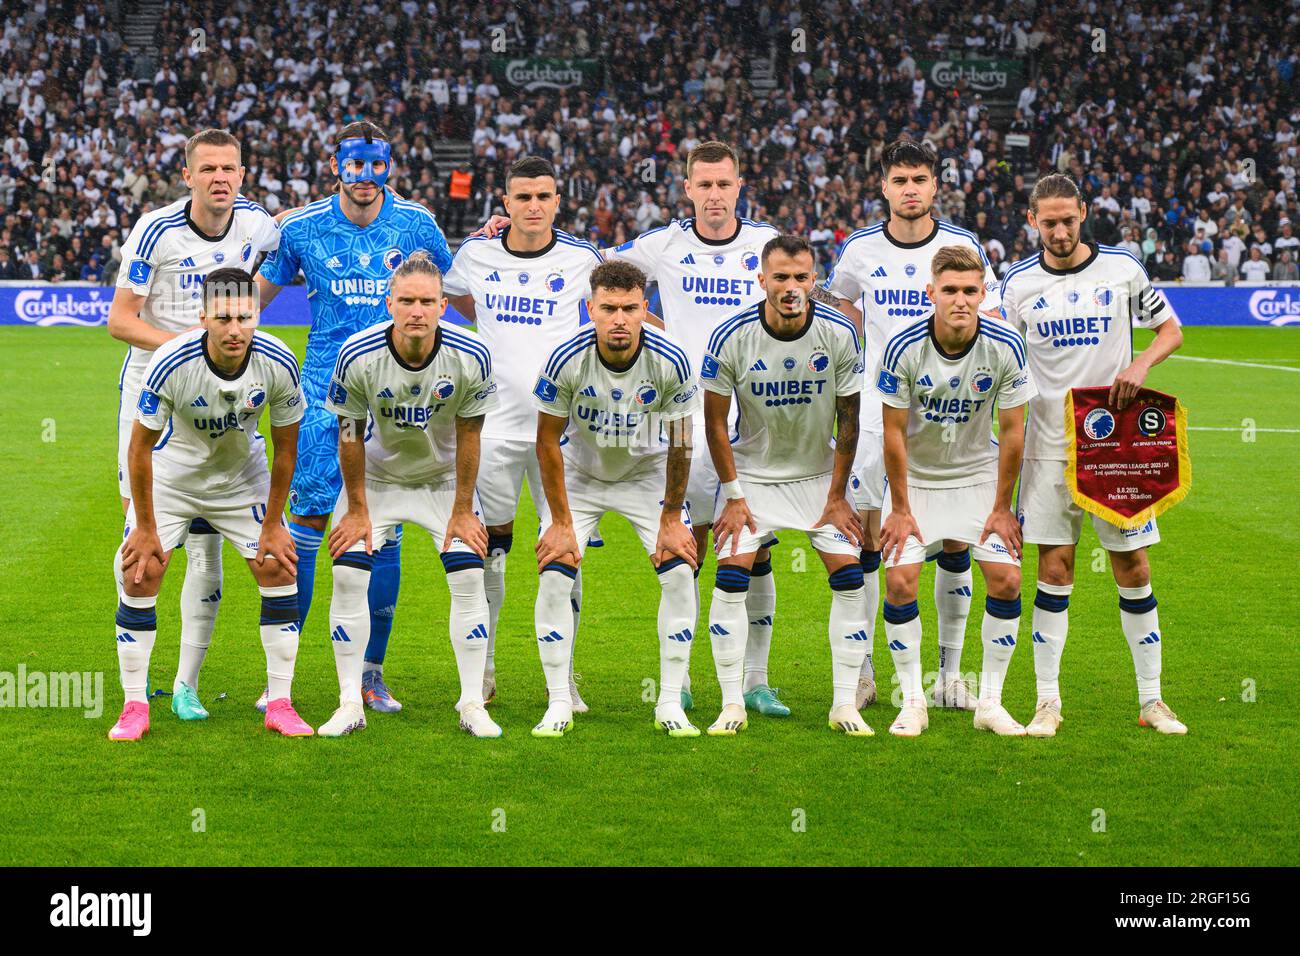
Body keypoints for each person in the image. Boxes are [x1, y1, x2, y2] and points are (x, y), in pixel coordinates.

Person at [475, 142, 785, 718]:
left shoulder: (766, 245)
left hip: (754, 420)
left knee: (751, 550)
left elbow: (801, 294)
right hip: (680, 419)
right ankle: (683, 683)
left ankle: (757, 681)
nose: (714, 194)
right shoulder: (660, 245)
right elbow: (604, 278)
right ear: (687, 189)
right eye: (703, 185)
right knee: (687, 549)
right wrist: (511, 227)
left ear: (739, 185)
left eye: (724, 184)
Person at [257, 120, 453, 714]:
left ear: (388, 164)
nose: (364, 178)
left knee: (383, 532)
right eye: (354, 164)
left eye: (375, 165)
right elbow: (251, 300)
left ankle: (371, 674)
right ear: (335, 163)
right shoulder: (302, 228)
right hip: (321, 394)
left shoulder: (417, 224)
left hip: (397, 399)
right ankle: (281, 682)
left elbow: (457, 292)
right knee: (309, 527)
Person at [1000, 173, 1187, 737]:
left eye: (1069, 219)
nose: (1060, 231)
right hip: (1048, 450)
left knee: (1133, 567)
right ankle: (1047, 702)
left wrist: (1140, 364)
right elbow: (1003, 361)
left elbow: (1171, 330)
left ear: (1084, 212)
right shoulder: (1016, 285)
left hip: (1116, 451)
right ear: (1032, 221)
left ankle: (1153, 701)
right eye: (1048, 221)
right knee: (1054, 569)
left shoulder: (1123, 269)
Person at [107, 128, 281, 719]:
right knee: (141, 546)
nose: (220, 178)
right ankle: (135, 688)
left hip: (223, 395)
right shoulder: (156, 230)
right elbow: (120, 321)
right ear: (188, 176)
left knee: (207, 552)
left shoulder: (258, 225)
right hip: (154, 393)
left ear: (241, 172)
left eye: (229, 168)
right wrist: (189, 347)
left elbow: (305, 228)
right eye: (208, 169)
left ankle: (185, 686)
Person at [823, 139, 1001, 713]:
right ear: (884, 186)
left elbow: (990, 321)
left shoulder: (962, 247)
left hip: (954, 421)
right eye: (900, 180)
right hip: (879, 420)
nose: (910, 189)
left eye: (920, 179)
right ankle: (865, 670)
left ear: (934, 186)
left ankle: (950, 675)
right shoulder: (858, 251)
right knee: (873, 542)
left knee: (954, 543)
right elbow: (843, 324)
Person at [109, 268, 309, 741]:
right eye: (223, 318)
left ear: (257, 314)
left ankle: (280, 702)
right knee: (141, 569)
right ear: (203, 317)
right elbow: (139, 449)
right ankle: (134, 705)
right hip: (173, 479)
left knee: (279, 565)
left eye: (244, 316)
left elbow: (285, 447)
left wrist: (275, 523)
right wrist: (144, 526)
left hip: (241, 479)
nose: (235, 328)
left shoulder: (279, 362)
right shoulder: (170, 362)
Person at [442, 156, 600, 711]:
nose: (534, 205)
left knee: (566, 546)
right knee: (493, 551)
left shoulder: (582, 258)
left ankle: (567, 677)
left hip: (562, 433)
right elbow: (458, 302)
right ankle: (483, 670)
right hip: (494, 430)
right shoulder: (476, 254)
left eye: (544, 196)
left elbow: (613, 312)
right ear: (505, 204)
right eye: (523, 197)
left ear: (558, 201)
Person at [321, 253, 501, 738]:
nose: (416, 310)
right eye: (406, 301)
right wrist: (356, 509)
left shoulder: (471, 355)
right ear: (390, 304)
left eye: (426, 301)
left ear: (444, 305)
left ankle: (471, 705)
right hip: (375, 483)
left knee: (469, 578)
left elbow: (470, 434)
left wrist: (464, 509)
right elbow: (348, 433)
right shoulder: (357, 355)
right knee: (346, 575)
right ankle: (347, 704)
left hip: (444, 483)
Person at [699, 235, 871, 736]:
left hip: (819, 478)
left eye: (801, 277)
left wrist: (838, 497)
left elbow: (850, 421)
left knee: (850, 578)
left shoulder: (839, 333)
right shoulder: (731, 336)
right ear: (762, 280)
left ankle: (844, 704)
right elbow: (714, 425)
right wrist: (733, 496)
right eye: (781, 277)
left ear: (814, 280)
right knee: (731, 576)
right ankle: (732, 702)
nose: (791, 287)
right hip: (752, 479)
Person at [529, 260, 700, 737]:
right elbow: (546, 441)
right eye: (608, 309)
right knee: (555, 575)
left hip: (646, 476)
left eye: (629, 308)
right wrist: (560, 521)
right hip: (582, 476)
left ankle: (669, 703)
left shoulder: (672, 360)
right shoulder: (564, 359)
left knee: (681, 572)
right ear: (591, 309)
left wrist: (671, 516)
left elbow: (682, 441)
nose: (619, 319)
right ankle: (559, 700)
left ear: (646, 308)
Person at [875, 245, 1035, 737]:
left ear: (984, 293)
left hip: (977, 477)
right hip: (917, 481)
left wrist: (1003, 508)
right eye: (949, 290)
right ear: (931, 293)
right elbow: (893, 433)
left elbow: (1012, 432)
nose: (960, 300)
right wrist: (899, 509)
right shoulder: (903, 348)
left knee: (1006, 580)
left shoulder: (1005, 345)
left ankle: (990, 701)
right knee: (901, 581)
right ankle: (914, 701)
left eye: (970, 290)